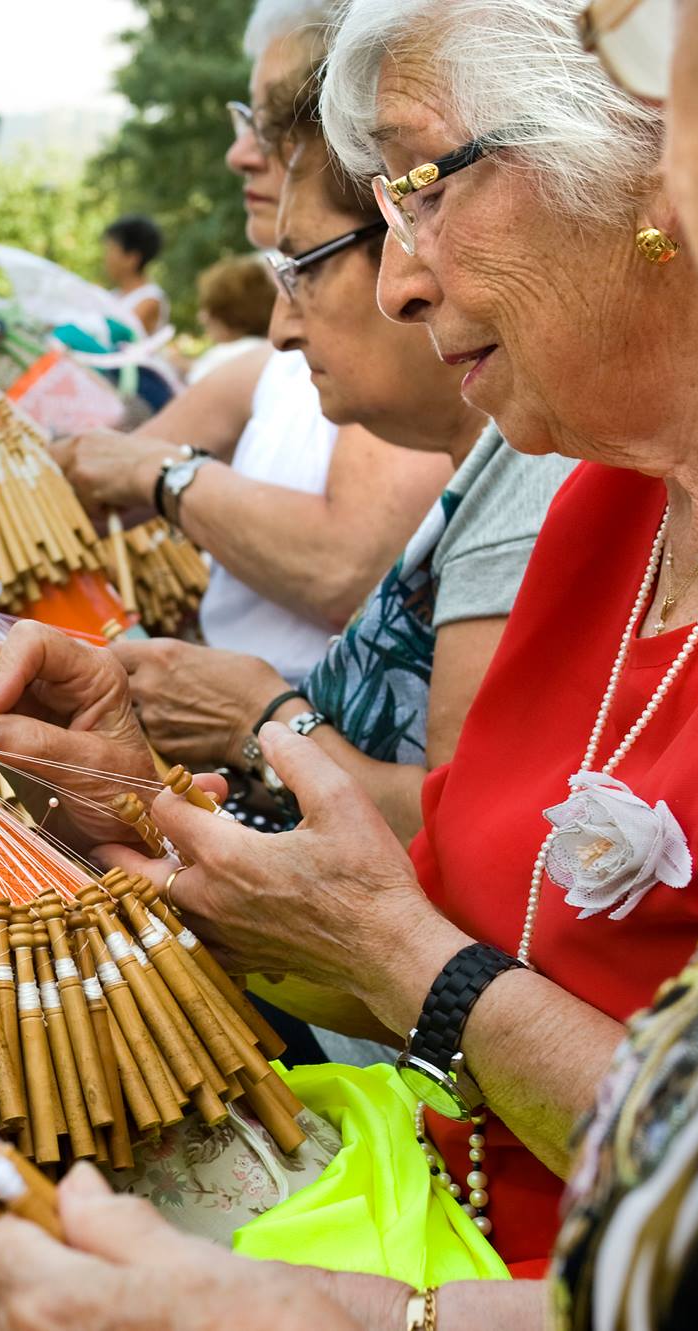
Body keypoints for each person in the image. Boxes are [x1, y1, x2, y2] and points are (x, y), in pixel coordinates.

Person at [0, 0, 698, 1283]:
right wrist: (136, 803)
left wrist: (399, 960)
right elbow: (417, 924)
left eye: (422, 189)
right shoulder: (600, 507)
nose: (397, 282)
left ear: (644, 146)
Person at [114, 77, 567, 846]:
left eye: (302, 267)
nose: (282, 329)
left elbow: (470, 842)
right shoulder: (496, 468)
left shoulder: (536, 468)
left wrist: (256, 720)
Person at [53, 0, 452, 687]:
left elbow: (349, 567)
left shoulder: (401, 344)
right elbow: (92, 474)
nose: (241, 153)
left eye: (275, 125)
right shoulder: (269, 367)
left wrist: (163, 476)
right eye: (253, 122)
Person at [184, 256, 274, 385]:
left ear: (226, 311)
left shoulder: (223, 357)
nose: (202, 318)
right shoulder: (275, 352)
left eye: (208, 307)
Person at [102, 214, 168, 335]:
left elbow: (115, 334)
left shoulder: (150, 299)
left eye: (111, 250)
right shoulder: (112, 295)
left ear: (131, 258)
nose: (106, 258)